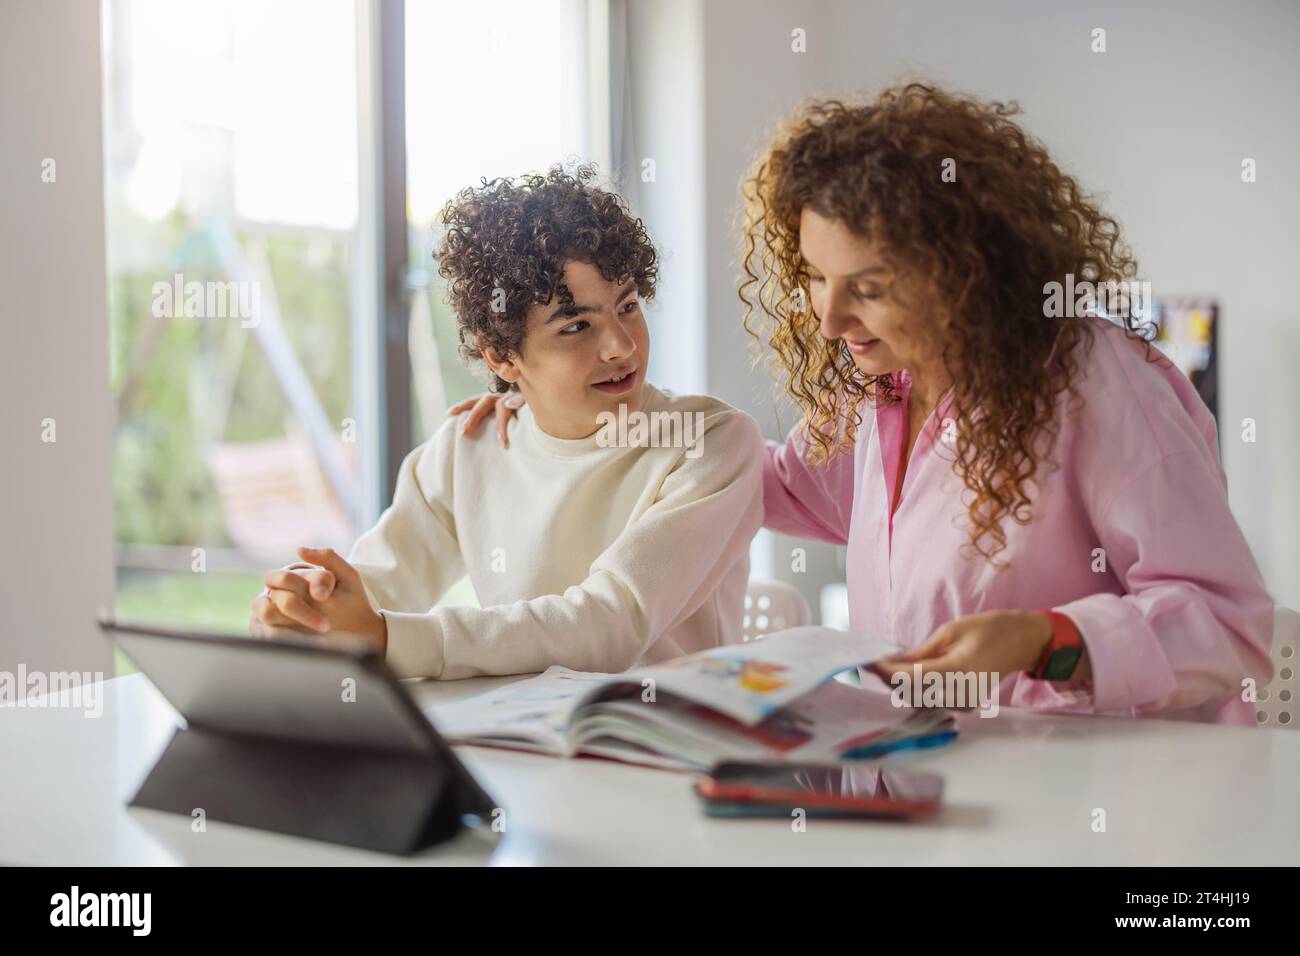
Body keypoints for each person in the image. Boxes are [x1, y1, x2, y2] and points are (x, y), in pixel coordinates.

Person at [458, 85, 1275, 722]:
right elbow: (756, 476)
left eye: (869, 288)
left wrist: (1045, 641)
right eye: (815, 276)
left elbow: (1230, 625)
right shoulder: (881, 392)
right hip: (913, 793)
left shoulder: (1096, 377)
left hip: (1086, 802)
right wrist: (557, 415)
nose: (827, 317)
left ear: (964, 269)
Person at [250, 165, 763, 679]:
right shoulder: (467, 448)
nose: (622, 346)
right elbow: (378, 584)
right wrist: (309, 607)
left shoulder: (711, 443)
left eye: (627, 306)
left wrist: (390, 638)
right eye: (577, 325)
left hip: (677, 746)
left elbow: (612, 623)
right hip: (521, 745)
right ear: (502, 357)